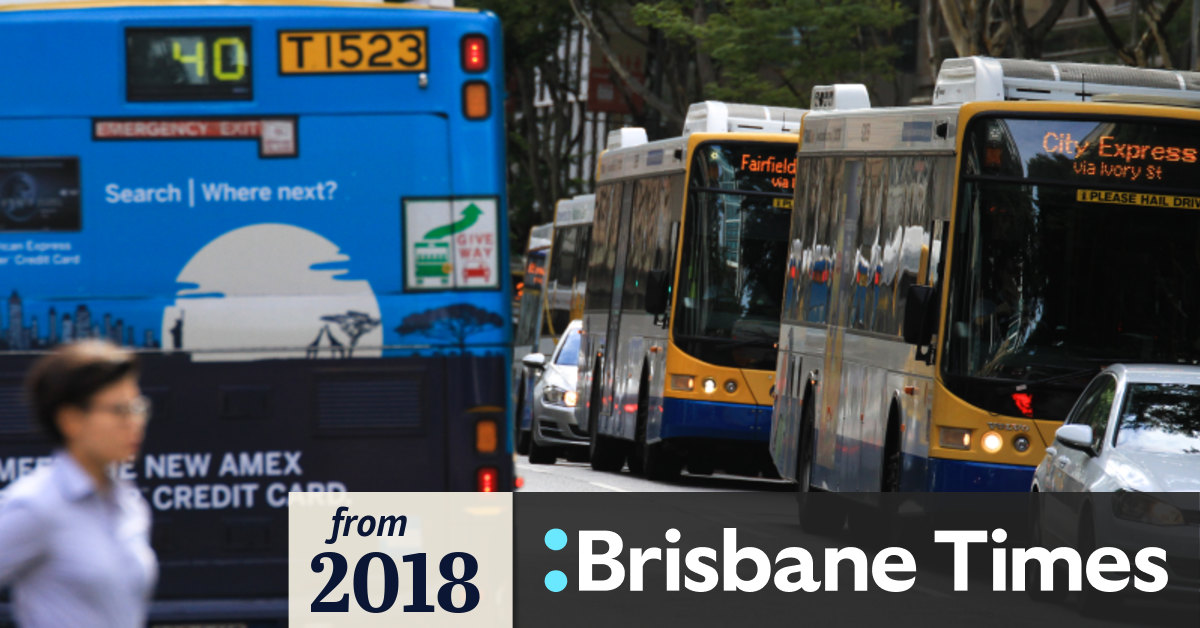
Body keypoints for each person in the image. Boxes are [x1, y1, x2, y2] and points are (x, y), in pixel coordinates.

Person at [0, 340, 157, 627]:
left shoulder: (129, 503)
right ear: (71, 420)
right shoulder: (36, 506)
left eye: (138, 408)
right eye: (120, 411)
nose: (135, 422)